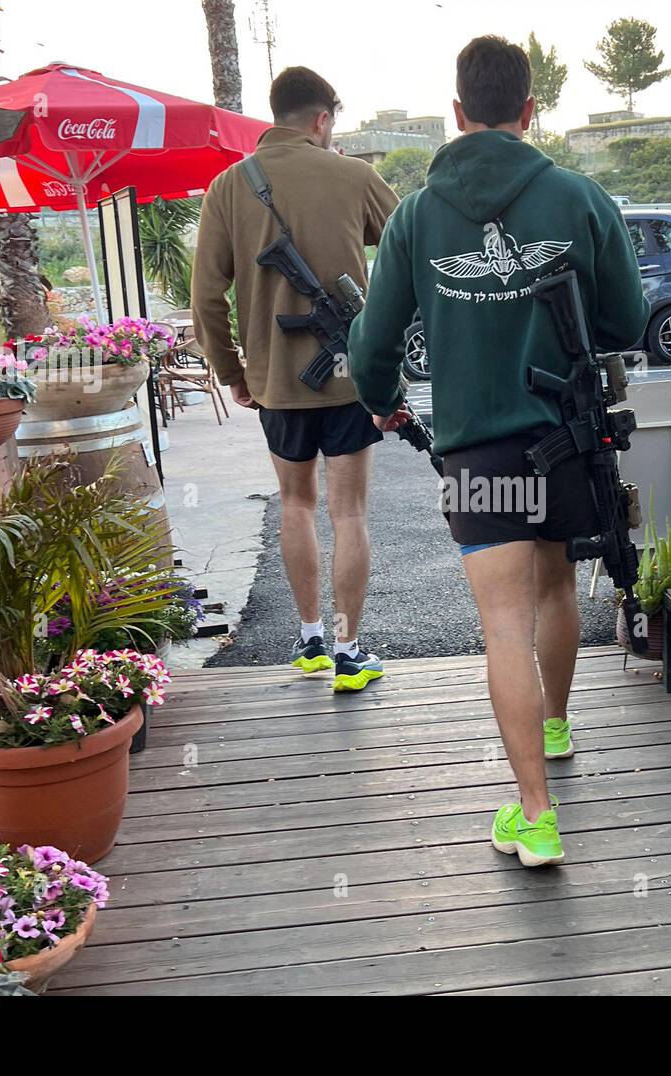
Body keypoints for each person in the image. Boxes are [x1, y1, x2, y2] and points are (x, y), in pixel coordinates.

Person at [347, 36, 649, 866]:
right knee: (555, 586)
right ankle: (555, 724)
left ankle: (534, 816)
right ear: (529, 111)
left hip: (478, 450)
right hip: (570, 440)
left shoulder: (413, 214)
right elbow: (625, 323)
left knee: (503, 623)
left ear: (456, 112)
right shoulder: (581, 196)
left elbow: (374, 341)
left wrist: (381, 403)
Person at [192, 67, 399, 692]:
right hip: (349, 378)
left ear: (274, 113)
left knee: (296, 504)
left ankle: (309, 638)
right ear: (323, 119)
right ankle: (347, 647)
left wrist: (234, 372)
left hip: (275, 382)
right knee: (350, 511)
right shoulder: (354, 175)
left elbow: (206, 298)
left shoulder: (228, 187)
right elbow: (408, 254)